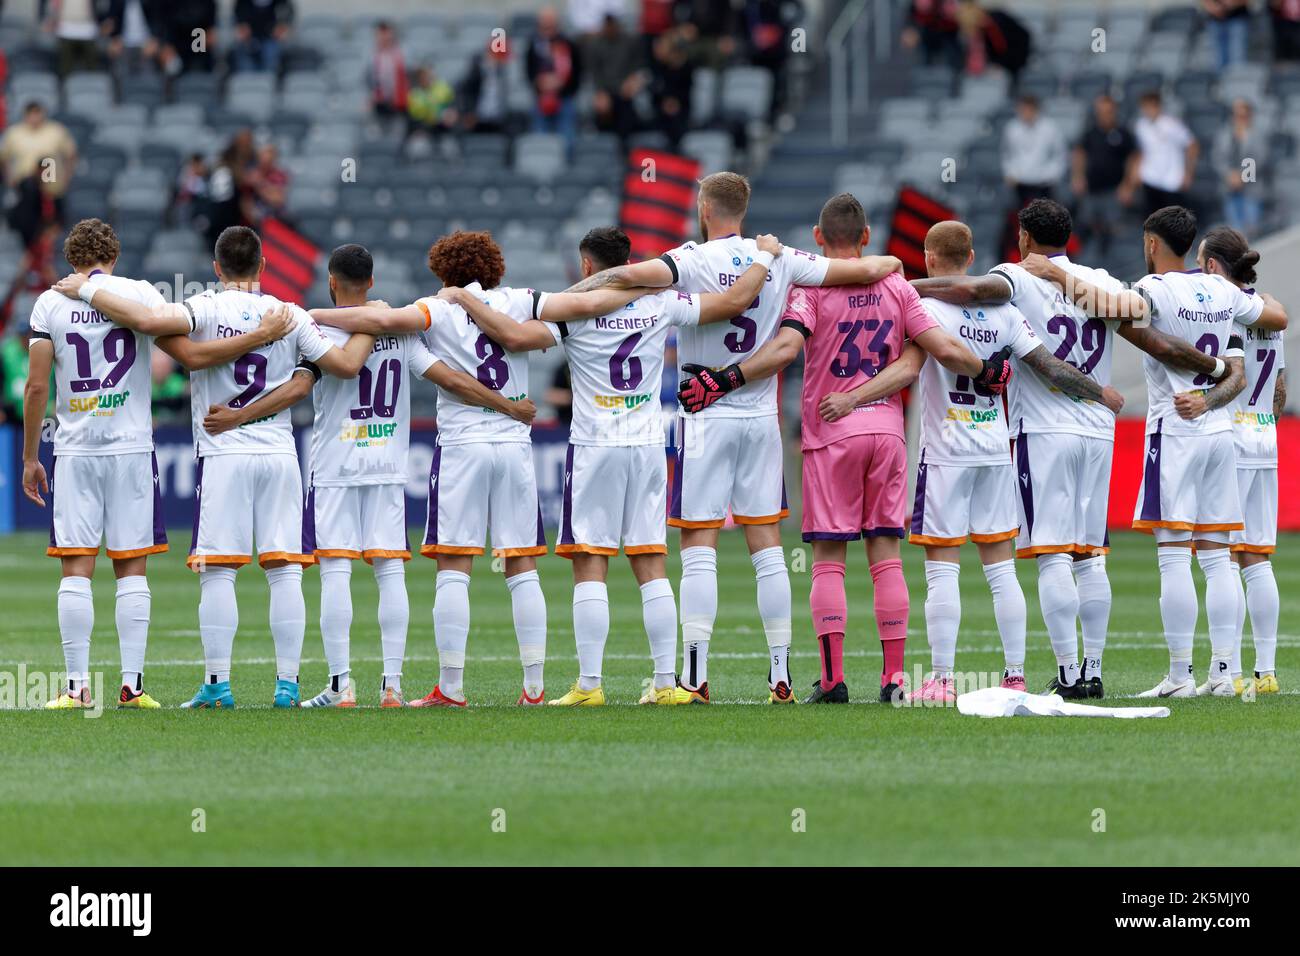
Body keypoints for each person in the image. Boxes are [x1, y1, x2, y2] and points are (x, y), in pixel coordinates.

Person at [563, 172, 903, 703]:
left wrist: (561, 297)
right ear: (743, 208)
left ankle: (695, 679)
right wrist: (889, 264)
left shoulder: (690, 259)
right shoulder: (784, 256)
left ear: (704, 207)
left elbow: (624, 279)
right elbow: (865, 269)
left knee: (699, 544)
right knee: (767, 547)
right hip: (760, 413)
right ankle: (780, 679)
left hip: (703, 411)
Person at [678, 194, 1015, 704]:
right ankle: (895, 679)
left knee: (829, 561)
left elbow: (788, 349)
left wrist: (727, 379)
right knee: (887, 557)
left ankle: (833, 680)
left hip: (830, 432)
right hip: (887, 433)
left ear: (818, 239)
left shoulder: (809, 288)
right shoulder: (897, 285)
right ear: (866, 236)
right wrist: (988, 371)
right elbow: (932, 354)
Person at [310, 231, 643, 706]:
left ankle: (451, 686)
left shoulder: (437, 307)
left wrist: (308, 316)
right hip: (513, 446)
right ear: (494, 266)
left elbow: (381, 320)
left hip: (463, 447)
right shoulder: (522, 300)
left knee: (454, 567)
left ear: (445, 271)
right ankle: (533, 688)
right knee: (521, 565)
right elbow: (582, 303)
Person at [446, 227, 776, 706]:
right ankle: (666, 684)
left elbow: (514, 337)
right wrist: (763, 260)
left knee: (590, 564)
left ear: (586, 268)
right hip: (646, 446)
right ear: (631, 261)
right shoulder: (661, 302)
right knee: (652, 564)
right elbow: (731, 304)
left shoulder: (575, 312)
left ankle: (590, 685)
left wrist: (463, 299)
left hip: (594, 445)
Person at [916, 199, 1229, 699]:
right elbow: (1151, 338)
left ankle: (1065, 674)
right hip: (1098, 435)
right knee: (1091, 556)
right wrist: (1214, 367)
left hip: (1042, 431)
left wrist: (902, 286)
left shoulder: (1017, 277)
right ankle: (1094, 668)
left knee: (1052, 555)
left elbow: (969, 288)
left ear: (1023, 236)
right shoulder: (1100, 281)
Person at [56, 225, 378, 709]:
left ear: (216, 267)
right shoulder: (288, 313)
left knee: (218, 573)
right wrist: (372, 320)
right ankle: (287, 687)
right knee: (285, 571)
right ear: (264, 266)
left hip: (223, 451)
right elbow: (341, 365)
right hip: (279, 453)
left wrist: (86, 286)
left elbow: (146, 320)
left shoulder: (202, 307)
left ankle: (217, 685)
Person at [204, 244, 536, 709]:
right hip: (388, 462)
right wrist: (506, 405)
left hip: (337, 464)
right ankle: (393, 685)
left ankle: (340, 686)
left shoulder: (318, 329)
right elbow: (450, 378)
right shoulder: (400, 334)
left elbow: (301, 385)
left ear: (332, 283)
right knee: (390, 570)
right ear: (372, 283)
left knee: (336, 570)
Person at [1024, 206, 1287, 698]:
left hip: (1175, 430)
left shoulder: (1153, 290)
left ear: (1151, 244)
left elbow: (1108, 307)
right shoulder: (1224, 291)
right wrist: (1210, 397)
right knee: (1216, 558)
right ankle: (1225, 673)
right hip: (1220, 432)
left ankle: (1181, 676)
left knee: (1173, 556)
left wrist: (1055, 272)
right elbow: (1261, 335)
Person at [31, 219, 294, 709]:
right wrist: (258, 335)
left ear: (72, 259)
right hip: (132, 447)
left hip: (74, 450)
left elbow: (36, 388)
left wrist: (30, 456)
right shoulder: (141, 295)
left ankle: (74, 688)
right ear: (115, 254)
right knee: (131, 570)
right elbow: (193, 357)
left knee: (76, 569)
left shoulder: (52, 301)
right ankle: (132, 687)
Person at [1196, 226, 1285, 695]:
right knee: (1257, 558)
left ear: (1213, 266)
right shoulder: (1268, 310)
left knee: (1221, 555)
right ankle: (1265, 671)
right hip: (1265, 440)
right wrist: (1262, 423)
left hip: (1228, 439)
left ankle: (1224, 671)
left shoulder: (1221, 309)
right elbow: (1281, 389)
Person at [1, 102, 77, 249]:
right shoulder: (14, 133)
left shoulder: (56, 131)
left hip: (52, 186)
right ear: (26, 115)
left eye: (38, 113)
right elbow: (4, 159)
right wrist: (9, 178)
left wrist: (67, 177)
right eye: (32, 114)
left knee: (54, 225)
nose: (35, 118)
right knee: (30, 227)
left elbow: (71, 155)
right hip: (26, 189)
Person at [1072, 94, 1139, 255]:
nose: (1104, 115)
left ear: (1114, 111)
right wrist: (1078, 176)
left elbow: (1134, 159)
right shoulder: (1090, 133)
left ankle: (1113, 268)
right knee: (1086, 227)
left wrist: (1128, 185)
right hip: (1091, 191)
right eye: (1100, 112)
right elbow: (1080, 154)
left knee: (1112, 230)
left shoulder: (1123, 134)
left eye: (1108, 112)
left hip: (1114, 192)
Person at [525, 6, 581, 157]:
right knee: (540, 141)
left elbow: (577, 71)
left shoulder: (568, 44)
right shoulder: (534, 44)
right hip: (541, 99)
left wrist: (561, 84)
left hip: (564, 98)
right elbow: (529, 71)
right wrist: (540, 83)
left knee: (566, 140)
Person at [1133, 92, 1198, 215]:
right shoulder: (1140, 126)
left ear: (1158, 106)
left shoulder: (1172, 124)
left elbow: (1192, 146)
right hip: (1150, 179)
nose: (1148, 110)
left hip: (1171, 180)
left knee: (1172, 223)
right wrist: (1136, 171)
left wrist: (1188, 172)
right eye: (1145, 107)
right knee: (1152, 222)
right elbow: (1141, 151)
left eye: (1151, 106)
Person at [1213, 99, 1268, 237]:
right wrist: (1229, 175)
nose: (1240, 119)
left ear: (1250, 116)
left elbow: (1261, 159)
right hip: (1229, 188)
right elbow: (1218, 158)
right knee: (1234, 232)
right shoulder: (1224, 134)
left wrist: (1242, 176)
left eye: (1244, 116)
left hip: (1251, 188)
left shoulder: (1258, 135)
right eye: (1237, 115)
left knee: (1251, 231)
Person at [1001, 94, 1066, 207]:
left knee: (1044, 219)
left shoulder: (1050, 128)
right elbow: (1006, 154)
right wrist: (1009, 172)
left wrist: (1054, 175)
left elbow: (1060, 154)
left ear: (1036, 109)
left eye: (1028, 110)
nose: (1025, 113)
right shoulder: (1012, 128)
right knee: (1020, 218)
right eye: (1022, 110)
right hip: (1020, 183)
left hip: (1044, 183)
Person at [232, 0, 293, 74]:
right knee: (246, 67)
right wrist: (241, 26)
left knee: (271, 57)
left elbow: (287, 15)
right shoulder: (242, 3)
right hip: (248, 41)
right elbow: (239, 21)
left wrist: (281, 26)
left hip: (271, 39)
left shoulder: (281, 3)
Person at [367, 20, 408, 121]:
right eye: (381, 34)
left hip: (399, 105)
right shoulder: (370, 56)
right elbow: (365, 80)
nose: (384, 37)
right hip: (378, 105)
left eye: (387, 33)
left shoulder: (402, 55)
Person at [1203, 0, 1252, 70]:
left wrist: (1231, 3)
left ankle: (1235, 79)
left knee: (1237, 59)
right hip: (1215, 20)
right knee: (1218, 61)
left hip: (1237, 18)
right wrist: (1213, 8)